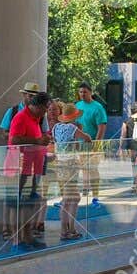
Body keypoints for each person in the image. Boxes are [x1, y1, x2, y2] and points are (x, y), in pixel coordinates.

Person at [5, 91, 52, 248]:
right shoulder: (20, 117)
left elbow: (35, 140)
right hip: (18, 166)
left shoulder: (36, 118)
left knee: (27, 203)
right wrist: (37, 140)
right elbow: (13, 139)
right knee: (16, 203)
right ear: (38, 106)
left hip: (31, 167)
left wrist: (42, 144)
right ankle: (17, 239)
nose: (46, 112)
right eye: (45, 109)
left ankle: (27, 236)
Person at [50, 102, 92, 240]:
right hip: (70, 166)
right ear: (73, 116)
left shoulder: (56, 127)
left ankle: (67, 229)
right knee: (71, 198)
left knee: (68, 198)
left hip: (59, 165)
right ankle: (68, 230)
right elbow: (87, 138)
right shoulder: (72, 128)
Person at [71, 83, 109, 205]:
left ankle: (95, 195)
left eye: (85, 92)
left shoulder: (98, 107)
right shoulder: (77, 105)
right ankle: (86, 188)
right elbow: (75, 124)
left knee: (93, 168)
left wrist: (96, 144)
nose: (82, 94)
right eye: (80, 92)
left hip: (92, 142)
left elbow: (102, 127)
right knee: (83, 167)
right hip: (81, 142)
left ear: (90, 92)